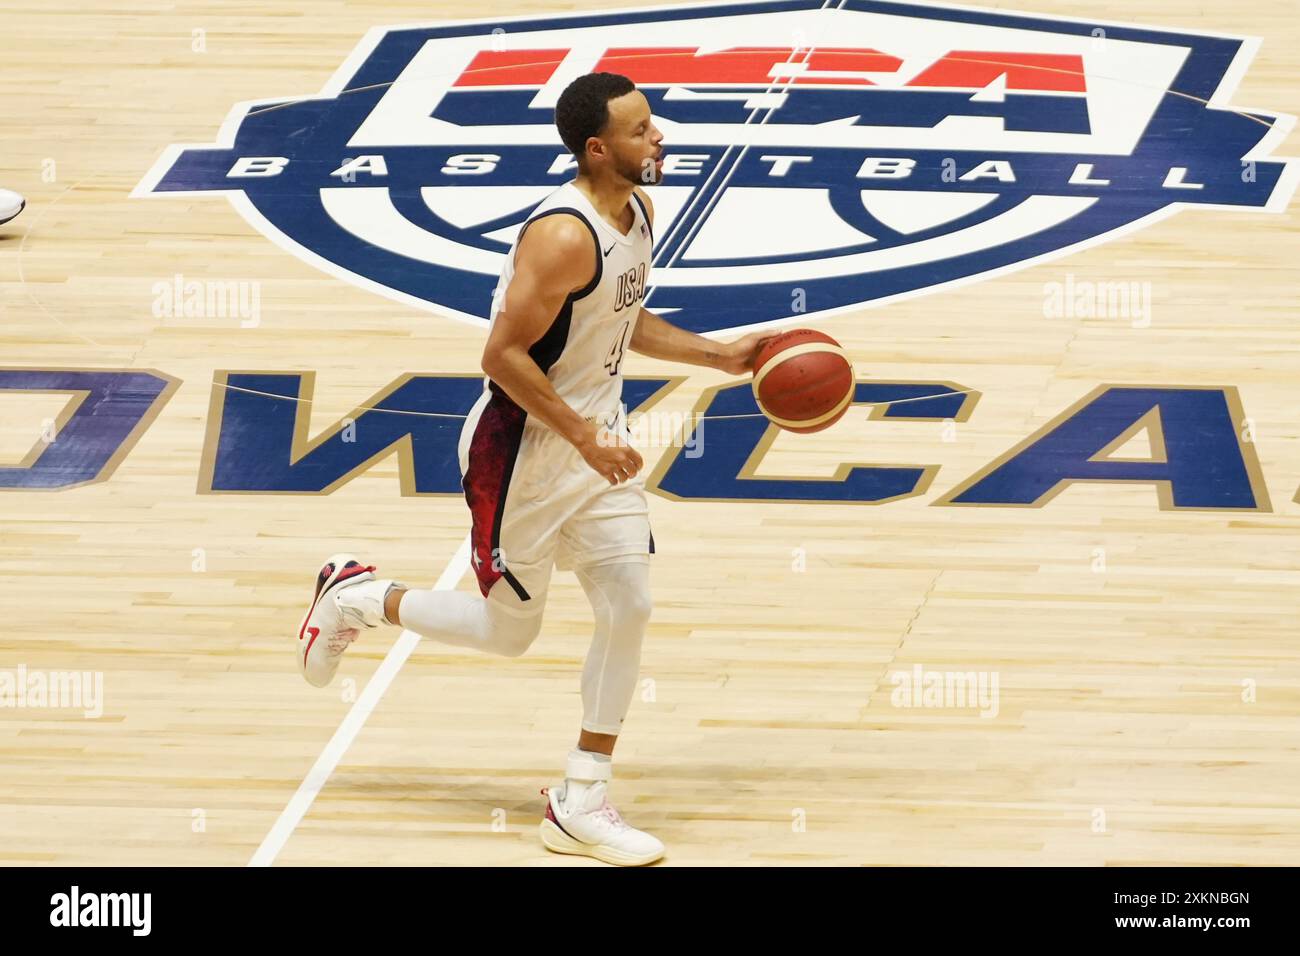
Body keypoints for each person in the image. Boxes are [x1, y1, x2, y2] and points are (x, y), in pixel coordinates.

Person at [296, 72, 776, 866]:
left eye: (652, 125)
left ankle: (580, 799)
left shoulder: (638, 213)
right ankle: (358, 597)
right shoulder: (562, 235)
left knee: (631, 605)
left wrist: (714, 354)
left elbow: (621, 317)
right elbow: (503, 357)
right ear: (598, 149)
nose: (659, 138)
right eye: (641, 129)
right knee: (508, 633)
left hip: (594, 443)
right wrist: (585, 436)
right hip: (521, 455)